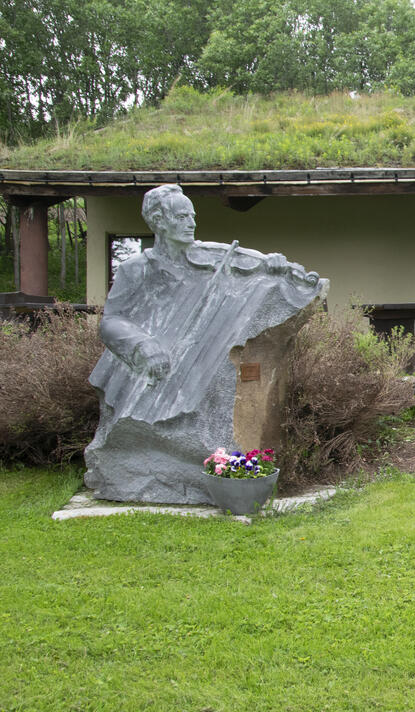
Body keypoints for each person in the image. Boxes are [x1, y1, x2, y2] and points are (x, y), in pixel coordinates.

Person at [85, 184, 326, 503]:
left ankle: (206, 463)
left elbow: (251, 276)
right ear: (159, 220)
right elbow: (111, 321)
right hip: (151, 361)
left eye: (192, 216)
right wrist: (143, 345)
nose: (191, 223)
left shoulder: (209, 259)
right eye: (182, 216)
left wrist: (275, 265)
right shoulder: (137, 269)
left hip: (199, 364)